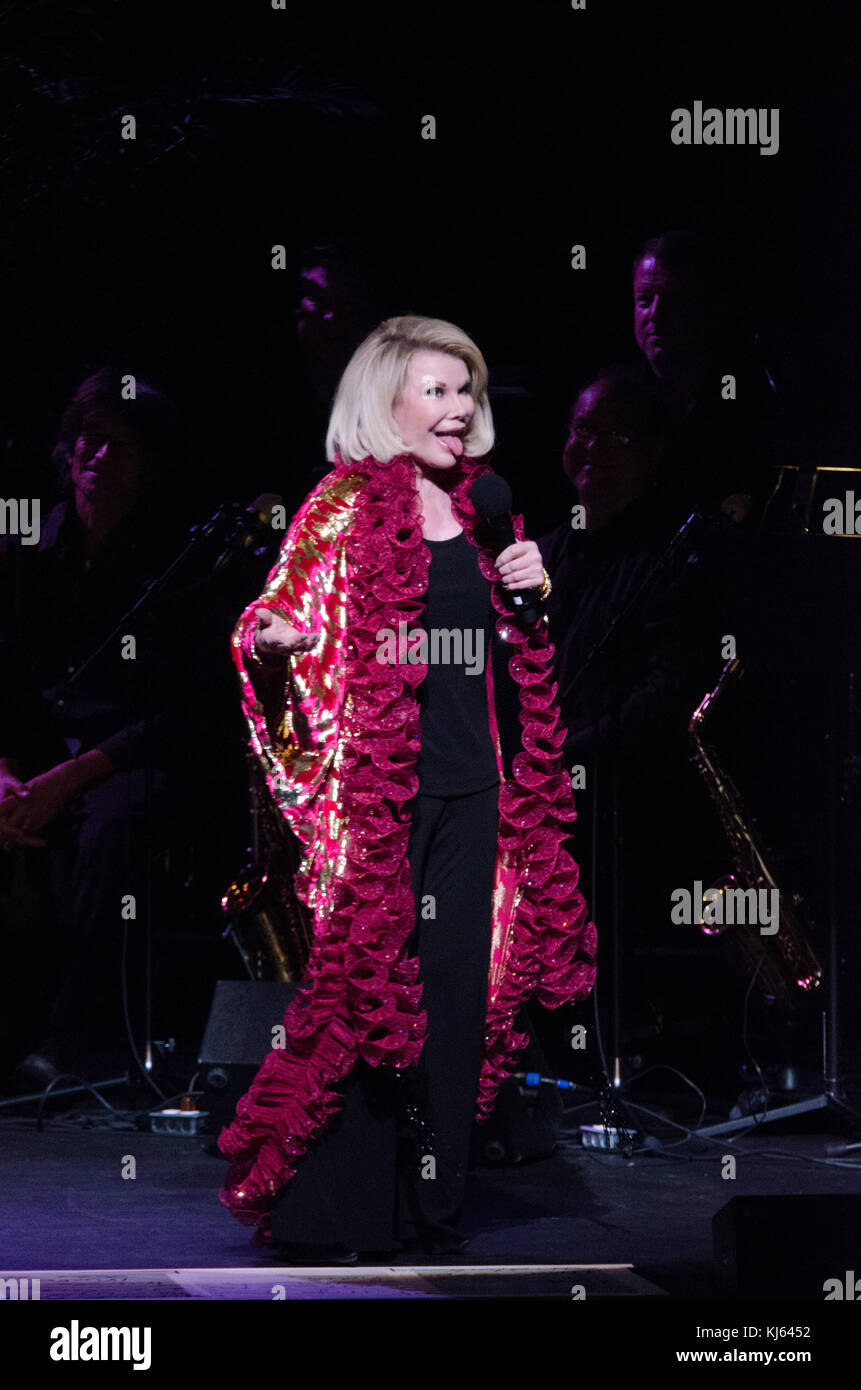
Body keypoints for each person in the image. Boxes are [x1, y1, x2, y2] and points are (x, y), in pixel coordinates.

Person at [217, 315, 597, 1258]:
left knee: (459, 999)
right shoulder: (342, 507)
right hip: (380, 804)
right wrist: (270, 644)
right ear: (382, 403)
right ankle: (338, 1214)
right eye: (437, 389)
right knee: (366, 993)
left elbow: (515, 656)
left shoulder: (485, 507)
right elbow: (279, 609)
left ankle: (433, 1208)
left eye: (466, 389)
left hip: (478, 795)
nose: (460, 408)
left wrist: (528, 597)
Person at [631, 229, 779, 527]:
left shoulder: (750, 401)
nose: (655, 315)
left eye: (673, 301)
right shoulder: (619, 396)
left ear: (707, 307)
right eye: (645, 300)